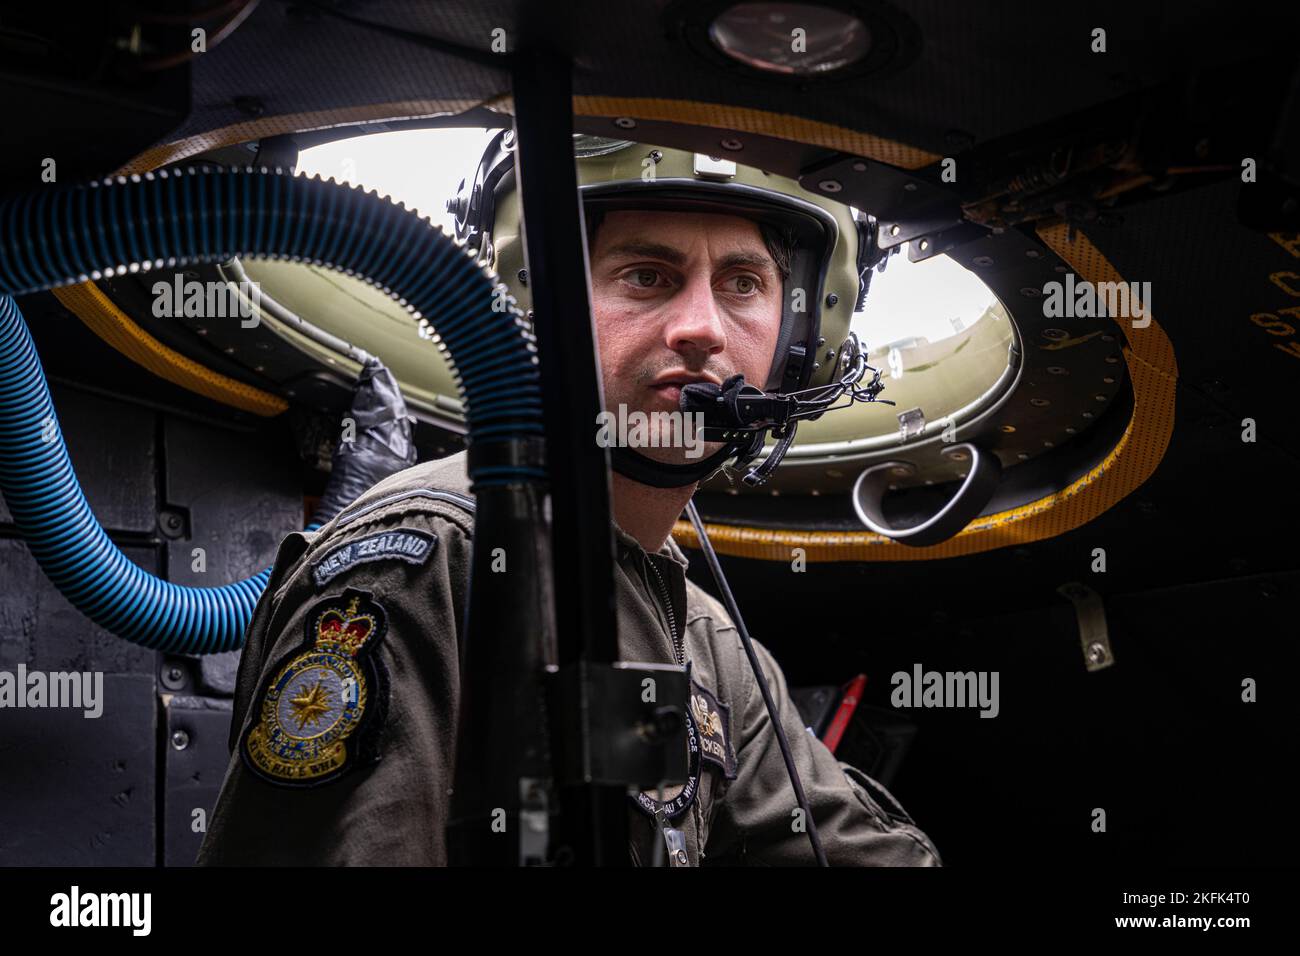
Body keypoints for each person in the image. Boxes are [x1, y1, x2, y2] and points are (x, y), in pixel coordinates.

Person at [196, 134, 941, 866]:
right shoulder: (434, 560)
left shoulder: (709, 638)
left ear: (804, 334)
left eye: (743, 284)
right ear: (538, 313)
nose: (702, 330)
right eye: (647, 276)